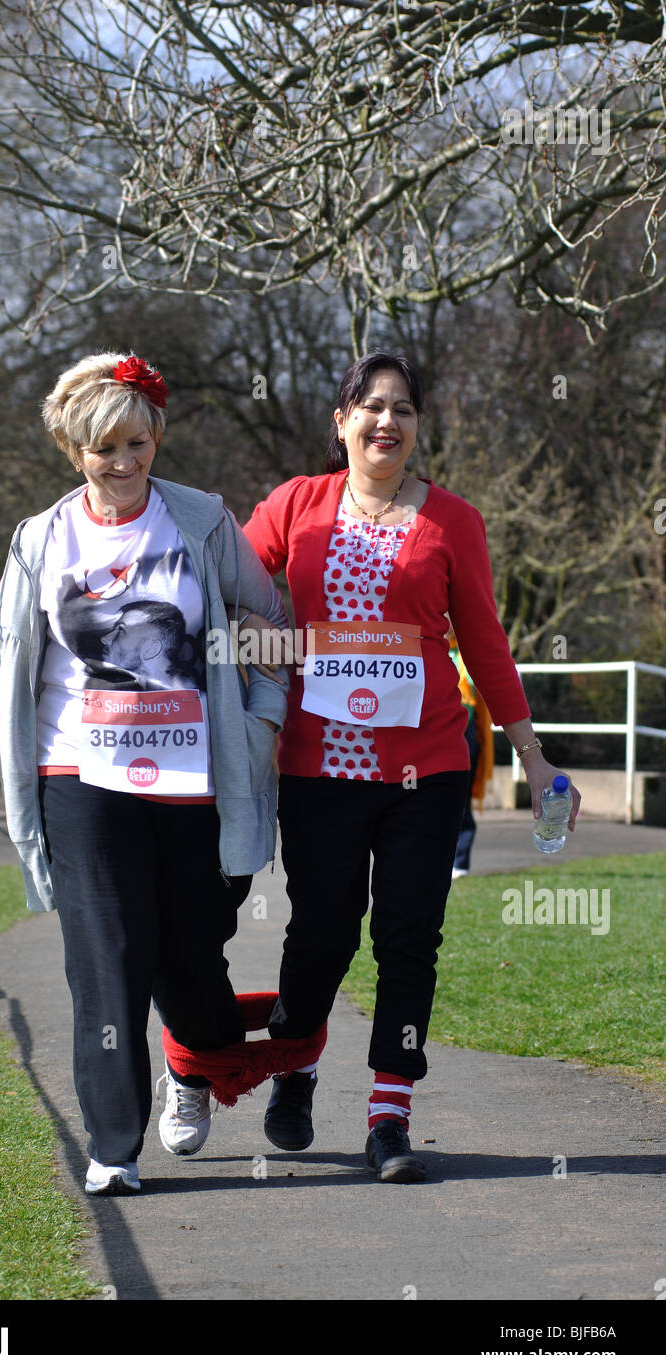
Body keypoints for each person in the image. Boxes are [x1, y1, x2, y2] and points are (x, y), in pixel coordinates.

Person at [0, 352, 289, 1196]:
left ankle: (195, 1063)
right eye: (102, 449)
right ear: (73, 450)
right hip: (79, 776)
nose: (122, 464)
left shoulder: (202, 522)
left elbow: (270, 621)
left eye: (137, 444)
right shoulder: (42, 539)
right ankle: (113, 1147)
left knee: (192, 965)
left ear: (158, 439)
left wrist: (261, 720)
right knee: (106, 957)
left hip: (196, 784)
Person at [241, 350, 581, 1183]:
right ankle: (295, 1066)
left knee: (407, 941)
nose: (387, 422)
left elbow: (486, 645)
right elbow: (231, 589)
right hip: (319, 766)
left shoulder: (453, 522)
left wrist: (532, 757)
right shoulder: (297, 505)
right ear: (342, 421)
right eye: (371, 406)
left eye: (403, 409)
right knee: (319, 932)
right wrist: (268, 652)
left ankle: (389, 1118)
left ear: (417, 426)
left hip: (424, 769)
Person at [447, 622, 494, 878]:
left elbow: (483, 685)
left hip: (465, 727)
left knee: (461, 795)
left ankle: (461, 860)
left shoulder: (467, 653)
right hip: (437, 727)